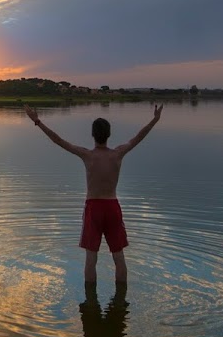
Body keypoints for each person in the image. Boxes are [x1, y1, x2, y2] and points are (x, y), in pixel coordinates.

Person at [24, 104, 163, 285]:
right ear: (109, 134)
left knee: (91, 258)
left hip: (94, 209)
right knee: (118, 255)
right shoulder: (118, 154)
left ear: (93, 134)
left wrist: (37, 121)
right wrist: (155, 119)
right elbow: (139, 137)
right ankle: (121, 302)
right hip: (112, 207)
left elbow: (58, 140)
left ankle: (90, 303)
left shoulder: (87, 155)